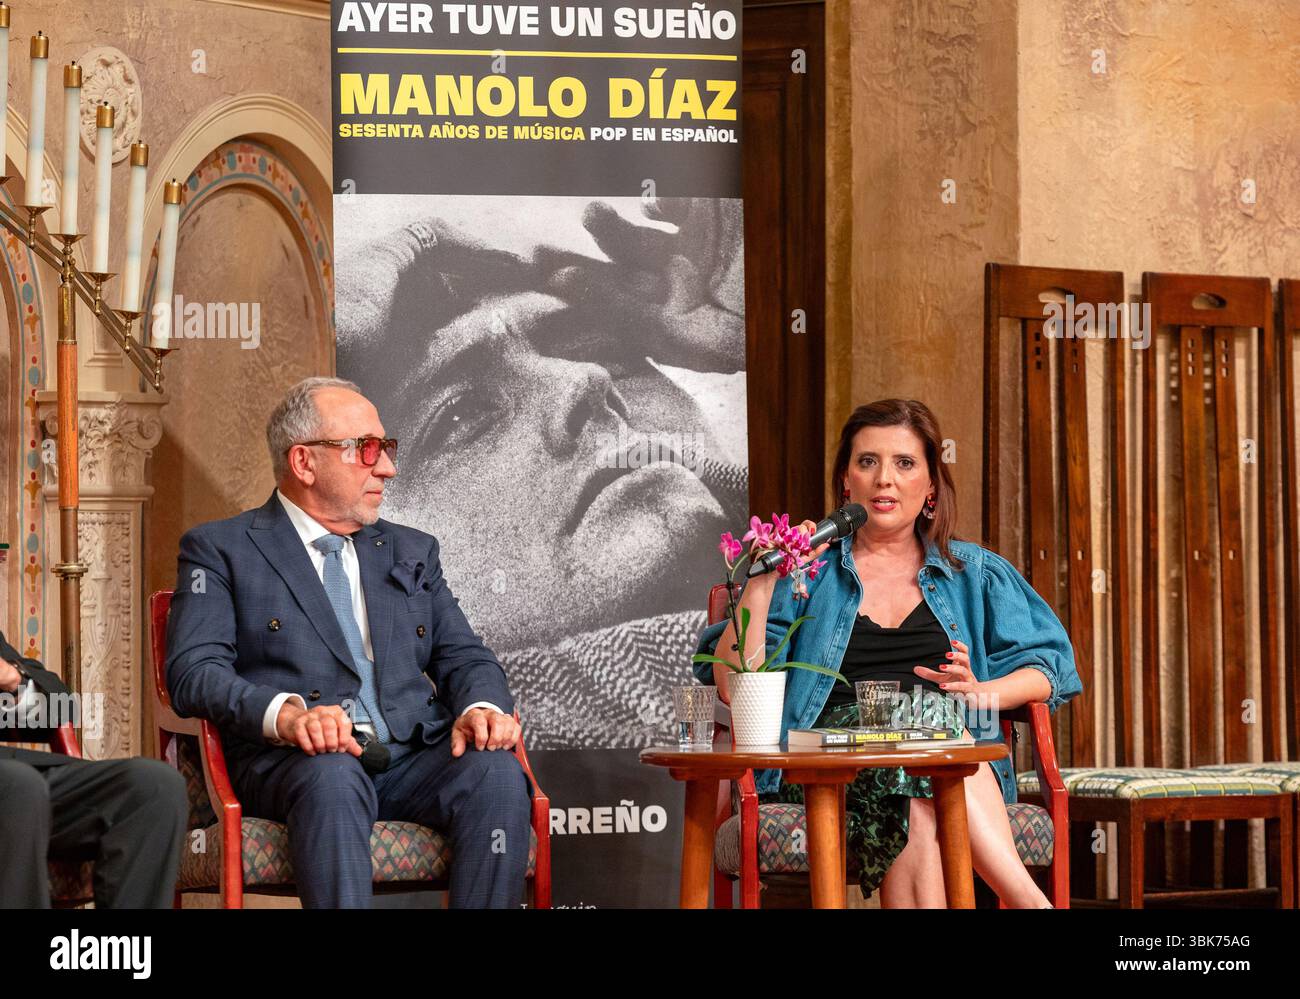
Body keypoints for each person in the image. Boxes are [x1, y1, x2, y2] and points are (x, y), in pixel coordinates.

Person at [334, 196, 748, 748]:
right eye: (460, 414)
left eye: (598, 352)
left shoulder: (813, 634)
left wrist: (756, 331)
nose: (584, 382)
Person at [695, 399, 1082, 907]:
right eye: (867, 462)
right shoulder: (807, 574)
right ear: (846, 483)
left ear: (930, 487)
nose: (884, 479)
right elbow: (731, 682)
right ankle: (1032, 903)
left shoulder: (975, 573)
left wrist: (983, 691)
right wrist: (765, 584)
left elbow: (1051, 666)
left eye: (904, 463)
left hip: (937, 772)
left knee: (918, 799)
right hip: (826, 771)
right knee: (929, 725)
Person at [165, 377, 531, 908]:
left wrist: (480, 706)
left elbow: (462, 654)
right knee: (332, 777)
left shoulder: (411, 550)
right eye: (366, 449)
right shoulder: (222, 550)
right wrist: (288, 716)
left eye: (386, 449)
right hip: (295, 759)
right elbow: (194, 673)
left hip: (410, 754)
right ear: (304, 463)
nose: (387, 467)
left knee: (496, 771)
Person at [0, 634, 188, 908]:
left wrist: (14, 681)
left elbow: (60, 705)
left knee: (154, 787)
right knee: (21, 787)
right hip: (16, 785)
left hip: (17, 778)